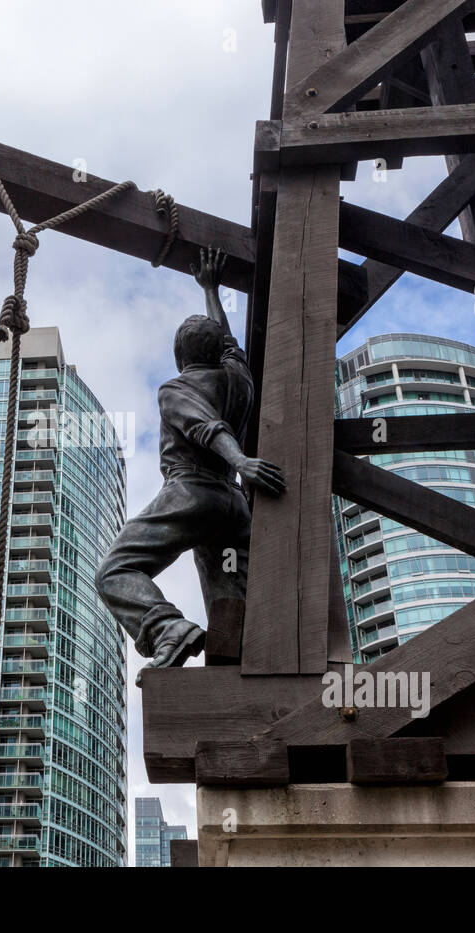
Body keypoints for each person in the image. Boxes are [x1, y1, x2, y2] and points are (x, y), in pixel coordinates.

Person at [95, 247, 285, 684]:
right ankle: (241, 665)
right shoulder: (240, 379)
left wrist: (240, 458)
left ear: (181, 359)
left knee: (114, 572)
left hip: (193, 493)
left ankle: (169, 629)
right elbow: (229, 340)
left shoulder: (175, 388)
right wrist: (210, 288)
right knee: (229, 595)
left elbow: (204, 426)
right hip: (232, 503)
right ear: (219, 350)